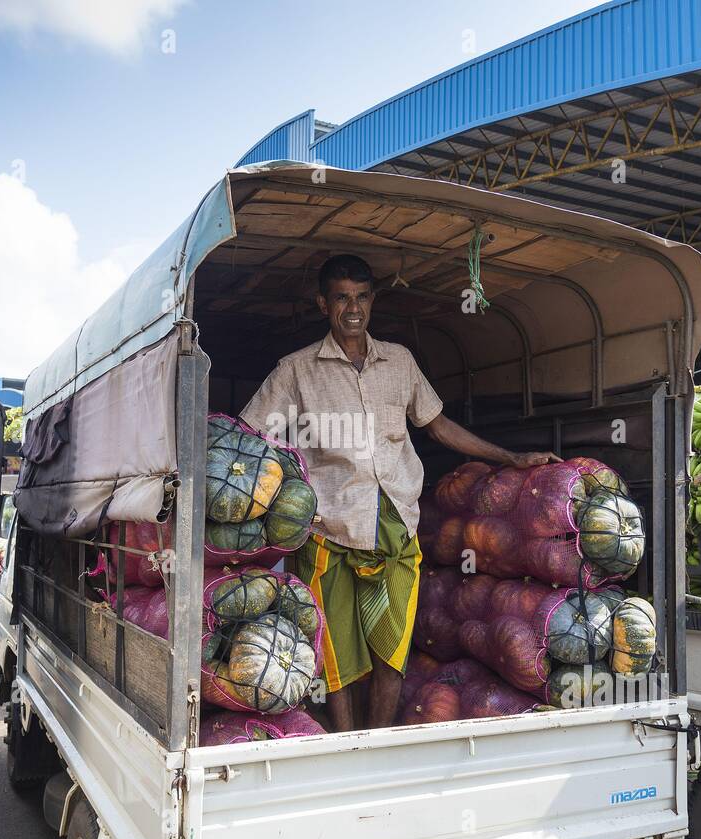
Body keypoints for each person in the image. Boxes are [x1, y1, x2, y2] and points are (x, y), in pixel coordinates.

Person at [239, 254, 560, 732]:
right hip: (328, 530)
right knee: (335, 649)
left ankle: (380, 740)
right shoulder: (296, 370)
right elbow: (250, 434)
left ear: (373, 301)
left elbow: (438, 426)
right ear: (323, 302)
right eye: (342, 298)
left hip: (395, 526)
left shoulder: (399, 361)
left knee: (392, 647)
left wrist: (510, 459)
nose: (353, 308)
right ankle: (345, 745)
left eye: (362, 297)